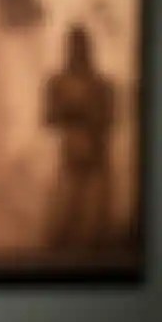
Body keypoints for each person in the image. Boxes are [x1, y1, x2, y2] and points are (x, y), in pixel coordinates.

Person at [43, 25, 115, 249]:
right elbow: (49, 117)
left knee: (93, 229)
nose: (76, 53)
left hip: (96, 162)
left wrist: (85, 115)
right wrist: (72, 112)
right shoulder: (57, 82)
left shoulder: (102, 85)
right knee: (62, 226)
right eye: (73, 47)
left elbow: (108, 120)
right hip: (67, 161)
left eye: (81, 47)